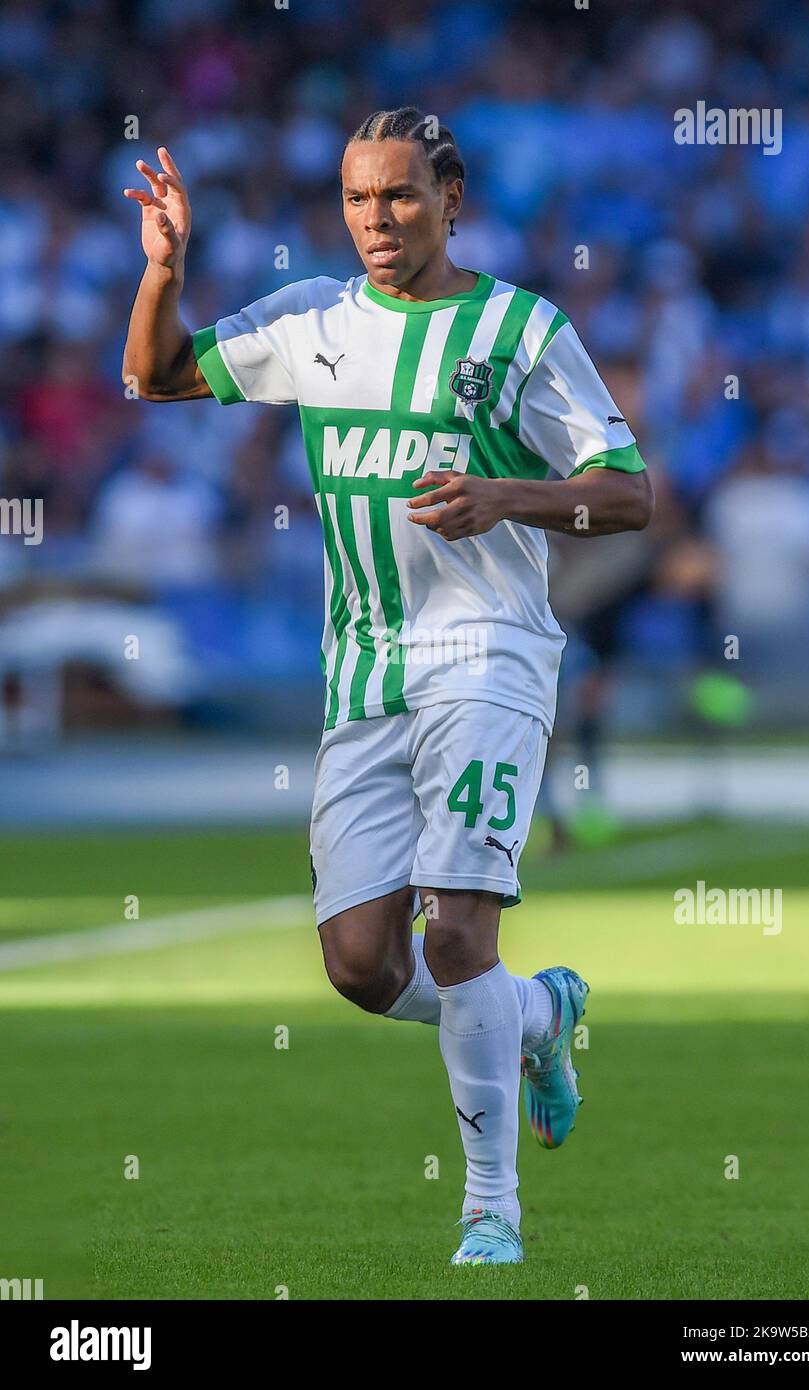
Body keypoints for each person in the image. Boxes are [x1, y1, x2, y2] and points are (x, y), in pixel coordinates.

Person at [121, 107, 654, 1266]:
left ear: (450, 198)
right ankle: (535, 1013)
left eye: (400, 196)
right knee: (363, 966)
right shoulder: (311, 317)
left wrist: (503, 496)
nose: (376, 219)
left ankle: (489, 1211)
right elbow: (154, 374)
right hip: (362, 669)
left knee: (456, 930)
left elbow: (625, 492)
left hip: (488, 654)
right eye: (359, 198)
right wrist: (162, 270)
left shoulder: (517, 329)